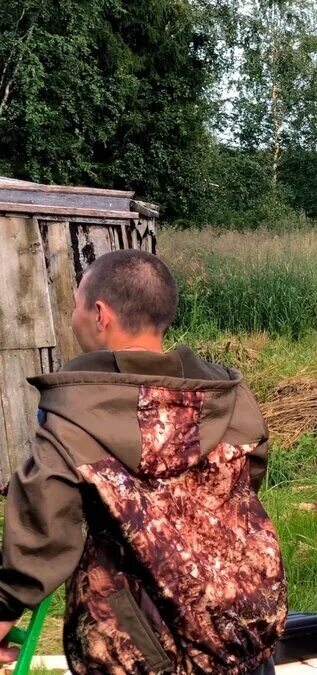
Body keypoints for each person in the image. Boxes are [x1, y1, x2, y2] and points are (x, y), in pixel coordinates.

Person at [0, 250, 285, 674]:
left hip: (140, 650)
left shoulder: (72, 421)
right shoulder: (228, 400)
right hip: (241, 628)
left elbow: (43, 534)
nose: (74, 315)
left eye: (77, 304)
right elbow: (246, 483)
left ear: (100, 314)